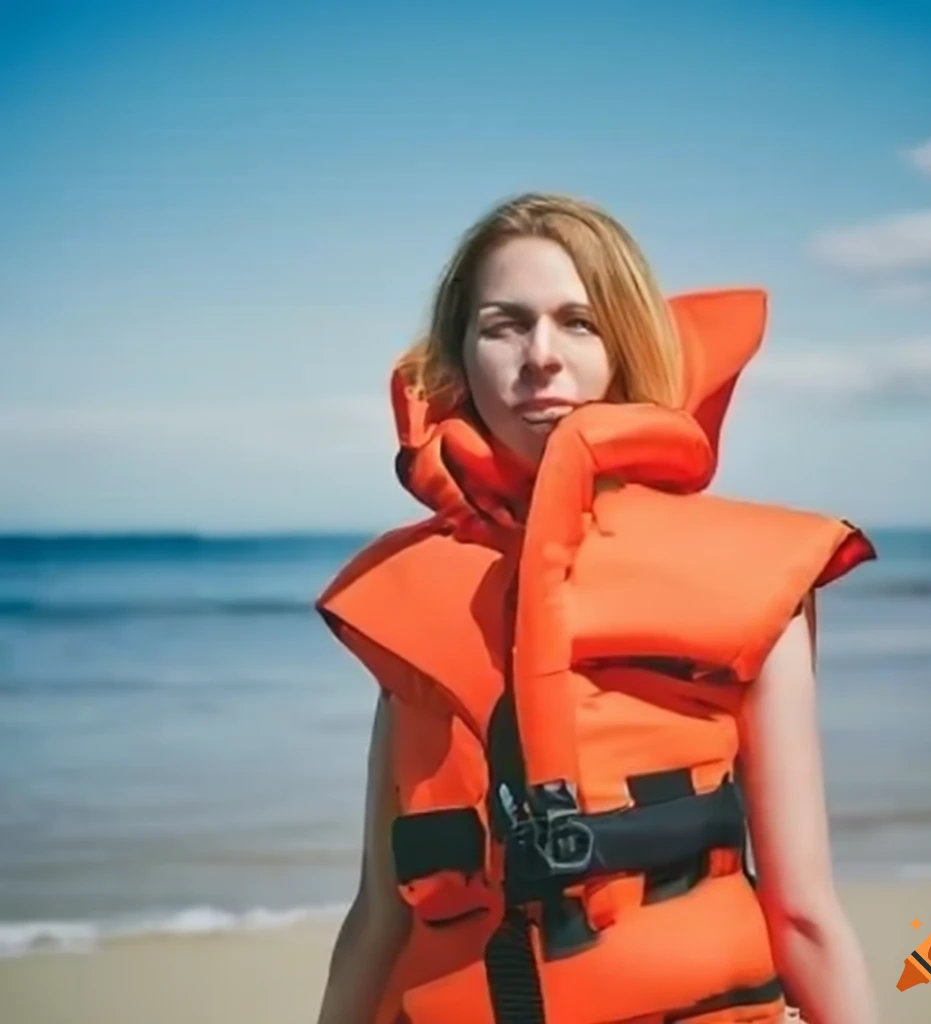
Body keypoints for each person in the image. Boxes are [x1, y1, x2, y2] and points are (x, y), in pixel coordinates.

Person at [313, 192, 881, 1024]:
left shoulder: (754, 580)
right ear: (460, 356)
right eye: (503, 324)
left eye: (578, 322)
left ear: (626, 345)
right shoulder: (413, 597)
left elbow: (804, 911)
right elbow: (379, 915)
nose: (540, 356)